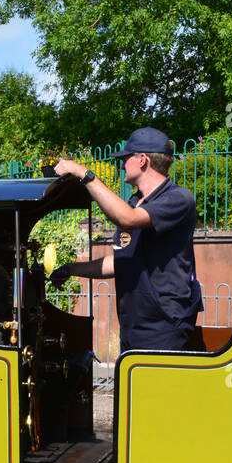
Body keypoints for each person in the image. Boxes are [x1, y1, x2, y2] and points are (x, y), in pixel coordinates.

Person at [50, 128, 202, 351]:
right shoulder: (134, 201)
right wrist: (71, 268)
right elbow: (120, 260)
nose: (121, 165)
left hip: (164, 324)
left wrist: (84, 173)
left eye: (125, 158)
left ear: (142, 160)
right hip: (133, 322)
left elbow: (127, 219)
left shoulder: (177, 199)